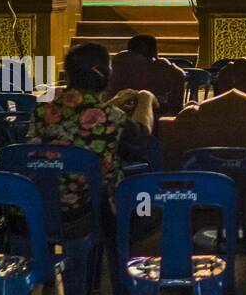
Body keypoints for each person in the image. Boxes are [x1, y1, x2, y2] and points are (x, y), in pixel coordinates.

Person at [27, 43, 156, 222]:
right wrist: (145, 99)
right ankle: (121, 247)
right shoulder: (111, 116)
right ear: (103, 75)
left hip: (34, 204)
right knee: (151, 209)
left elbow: (76, 117)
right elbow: (141, 136)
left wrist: (111, 103)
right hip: (83, 211)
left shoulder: (44, 103)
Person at [109, 34, 187, 118]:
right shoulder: (162, 68)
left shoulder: (115, 63)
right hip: (154, 115)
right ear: (153, 50)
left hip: (115, 112)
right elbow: (180, 76)